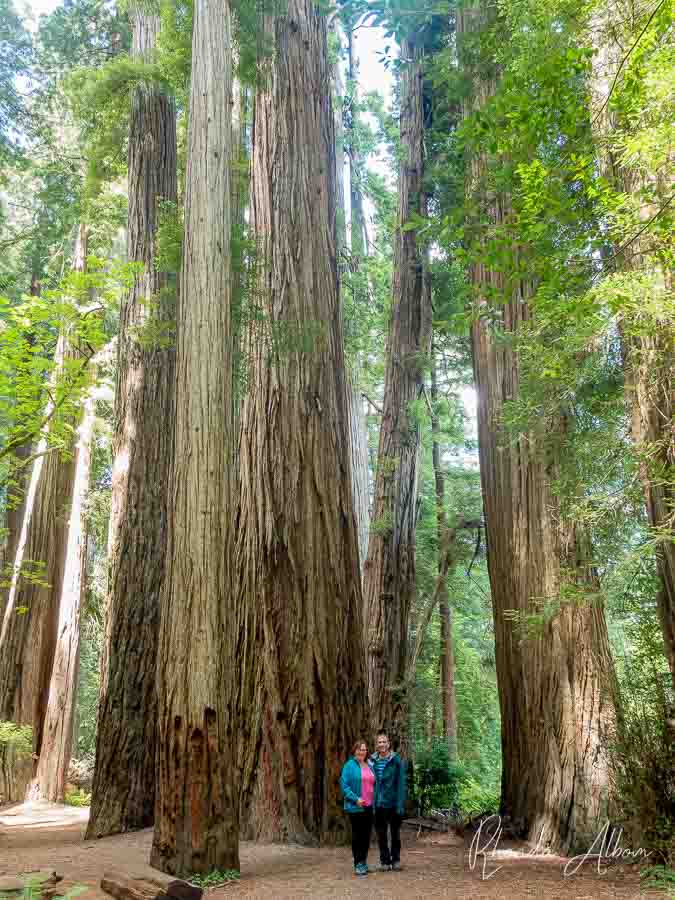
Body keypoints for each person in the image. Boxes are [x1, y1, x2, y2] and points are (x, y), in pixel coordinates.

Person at [371, 731, 406, 872]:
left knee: (395, 833)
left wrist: (400, 804)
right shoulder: (372, 760)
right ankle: (384, 861)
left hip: (392, 802)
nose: (382, 744)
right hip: (378, 803)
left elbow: (401, 783)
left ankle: (396, 860)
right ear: (376, 745)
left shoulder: (396, 760)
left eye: (384, 742)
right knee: (381, 834)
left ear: (388, 744)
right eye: (379, 742)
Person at [340, 739, 375, 876]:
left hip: (369, 805)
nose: (362, 752)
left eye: (364, 749)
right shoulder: (349, 766)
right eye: (360, 749)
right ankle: (358, 863)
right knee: (357, 835)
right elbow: (344, 785)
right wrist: (355, 799)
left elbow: (374, 783)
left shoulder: (369, 764)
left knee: (366, 835)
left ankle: (364, 861)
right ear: (354, 751)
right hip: (356, 806)